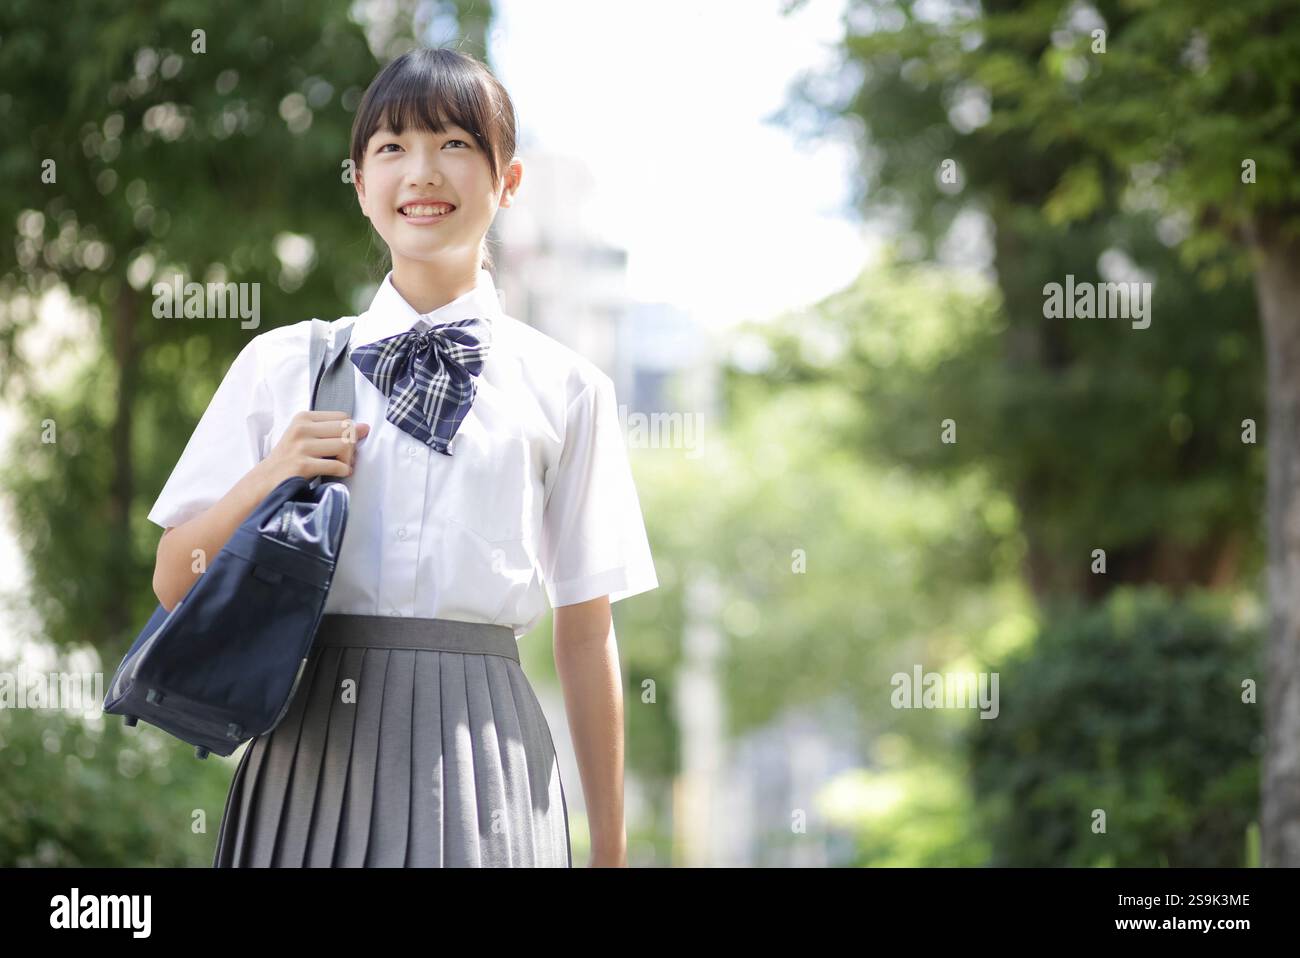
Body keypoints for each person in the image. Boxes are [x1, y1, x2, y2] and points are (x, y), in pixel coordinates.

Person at [147, 47, 658, 867]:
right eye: (391, 148)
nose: (422, 172)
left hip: (486, 764)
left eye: (455, 143)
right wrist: (272, 473)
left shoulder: (569, 389)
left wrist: (610, 852)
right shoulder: (284, 366)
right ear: (358, 181)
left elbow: (587, 634)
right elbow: (176, 578)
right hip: (308, 763)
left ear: (509, 181)